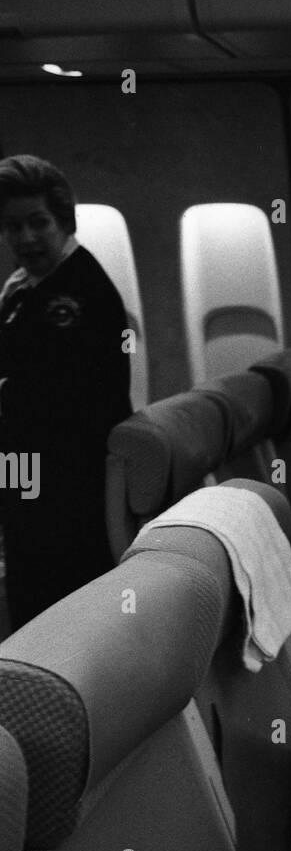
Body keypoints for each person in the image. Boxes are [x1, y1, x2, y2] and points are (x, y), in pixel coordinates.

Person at [0, 155, 131, 630]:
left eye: (38, 223)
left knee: (53, 606)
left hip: (66, 480)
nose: (27, 238)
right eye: (13, 227)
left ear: (63, 221)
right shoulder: (27, 286)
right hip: (29, 468)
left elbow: (48, 396)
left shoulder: (75, 294)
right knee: (27, 588)